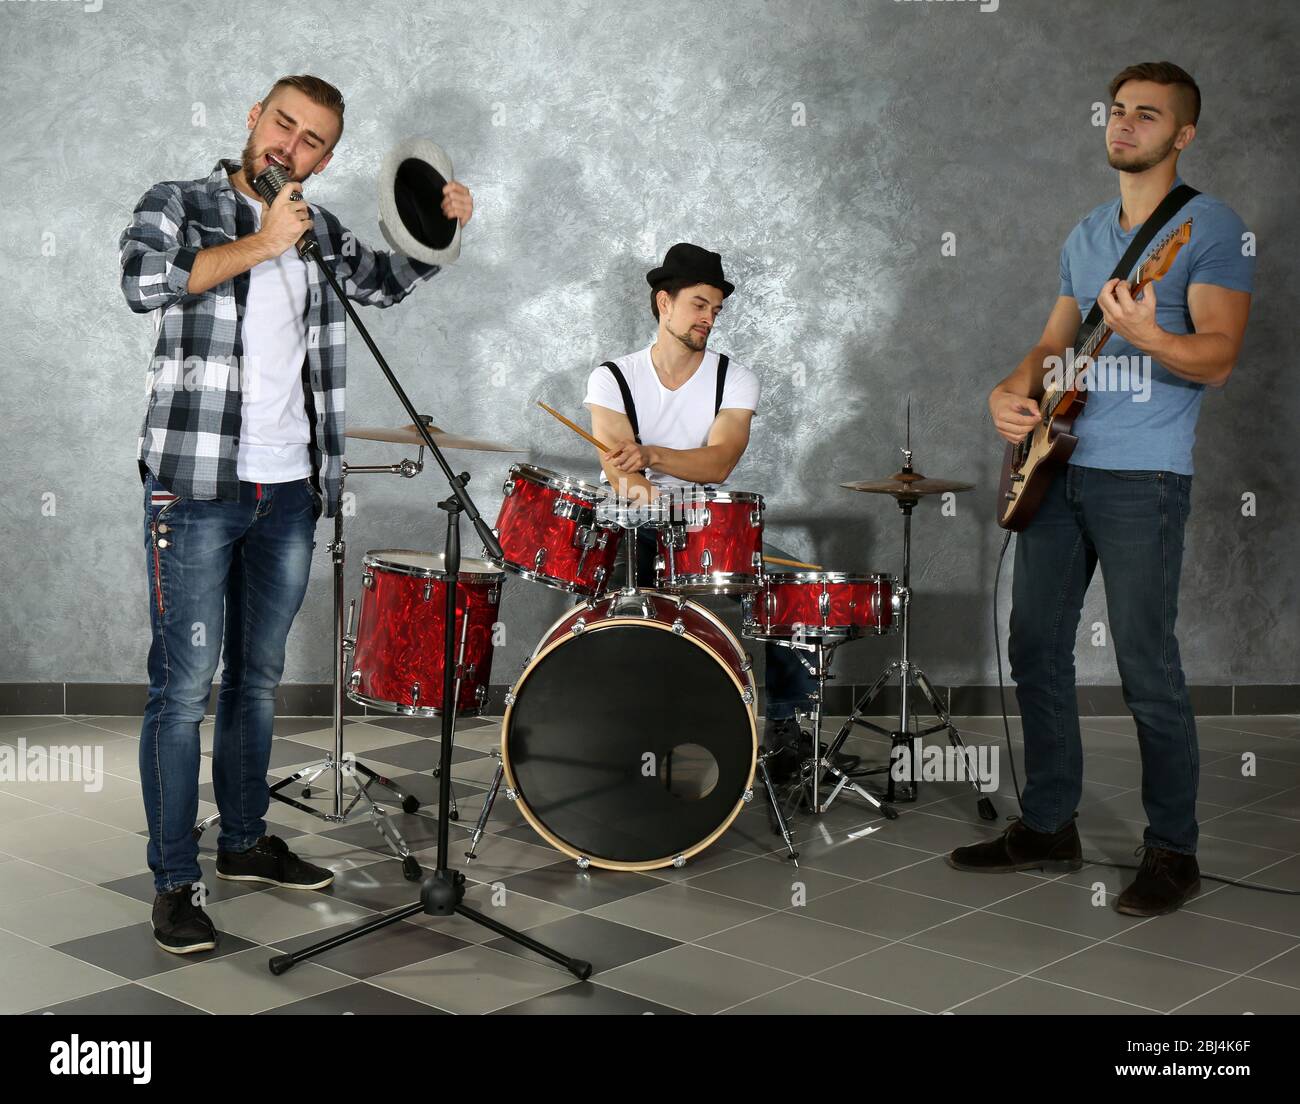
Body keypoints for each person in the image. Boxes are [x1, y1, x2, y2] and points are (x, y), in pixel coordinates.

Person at [120, 74, 474, 952]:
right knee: (183, 693)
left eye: (313, 140)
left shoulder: (318, 230)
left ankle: (243, 843)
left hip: (287, 493)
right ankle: (173, 883)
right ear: (253, 118)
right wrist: (261, 244)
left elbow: (386, 281)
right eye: (283, 125)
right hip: (197, 490)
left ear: (325, 156)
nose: (291, 147)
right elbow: (144, 282)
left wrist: (443, 226)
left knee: (258, 681)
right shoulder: (181, 203)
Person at [948, 63, 1253, 916]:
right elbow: (1053, 346)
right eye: (1117, 112)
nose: (1124, 126)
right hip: (1058, 466)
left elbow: (1219, 358)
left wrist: (1150, 335)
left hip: (1143, 479)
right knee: (1036, 646)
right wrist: (1008, 395)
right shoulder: (1086, 233)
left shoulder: (1210, 228)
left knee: (1145, 665)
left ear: (1183, 134)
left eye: (1146, 116)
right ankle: (1048, 826)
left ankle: (1173, 850)